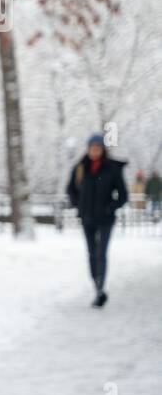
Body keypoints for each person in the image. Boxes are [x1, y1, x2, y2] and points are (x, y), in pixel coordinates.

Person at [65, 132, 129, 307]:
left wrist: (110, 208)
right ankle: (96, 286)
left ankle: (101, 288)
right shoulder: (79, 167)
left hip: (106, 219)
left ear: (102, 149)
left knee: (101, 253)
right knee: (92, 253)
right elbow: (70, 189)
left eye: (97, 148)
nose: (94, 151)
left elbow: (123, 196)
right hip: (87, 218)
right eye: (91, 148)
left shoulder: (112, 169)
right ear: (88, 149)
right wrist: (78, 204)